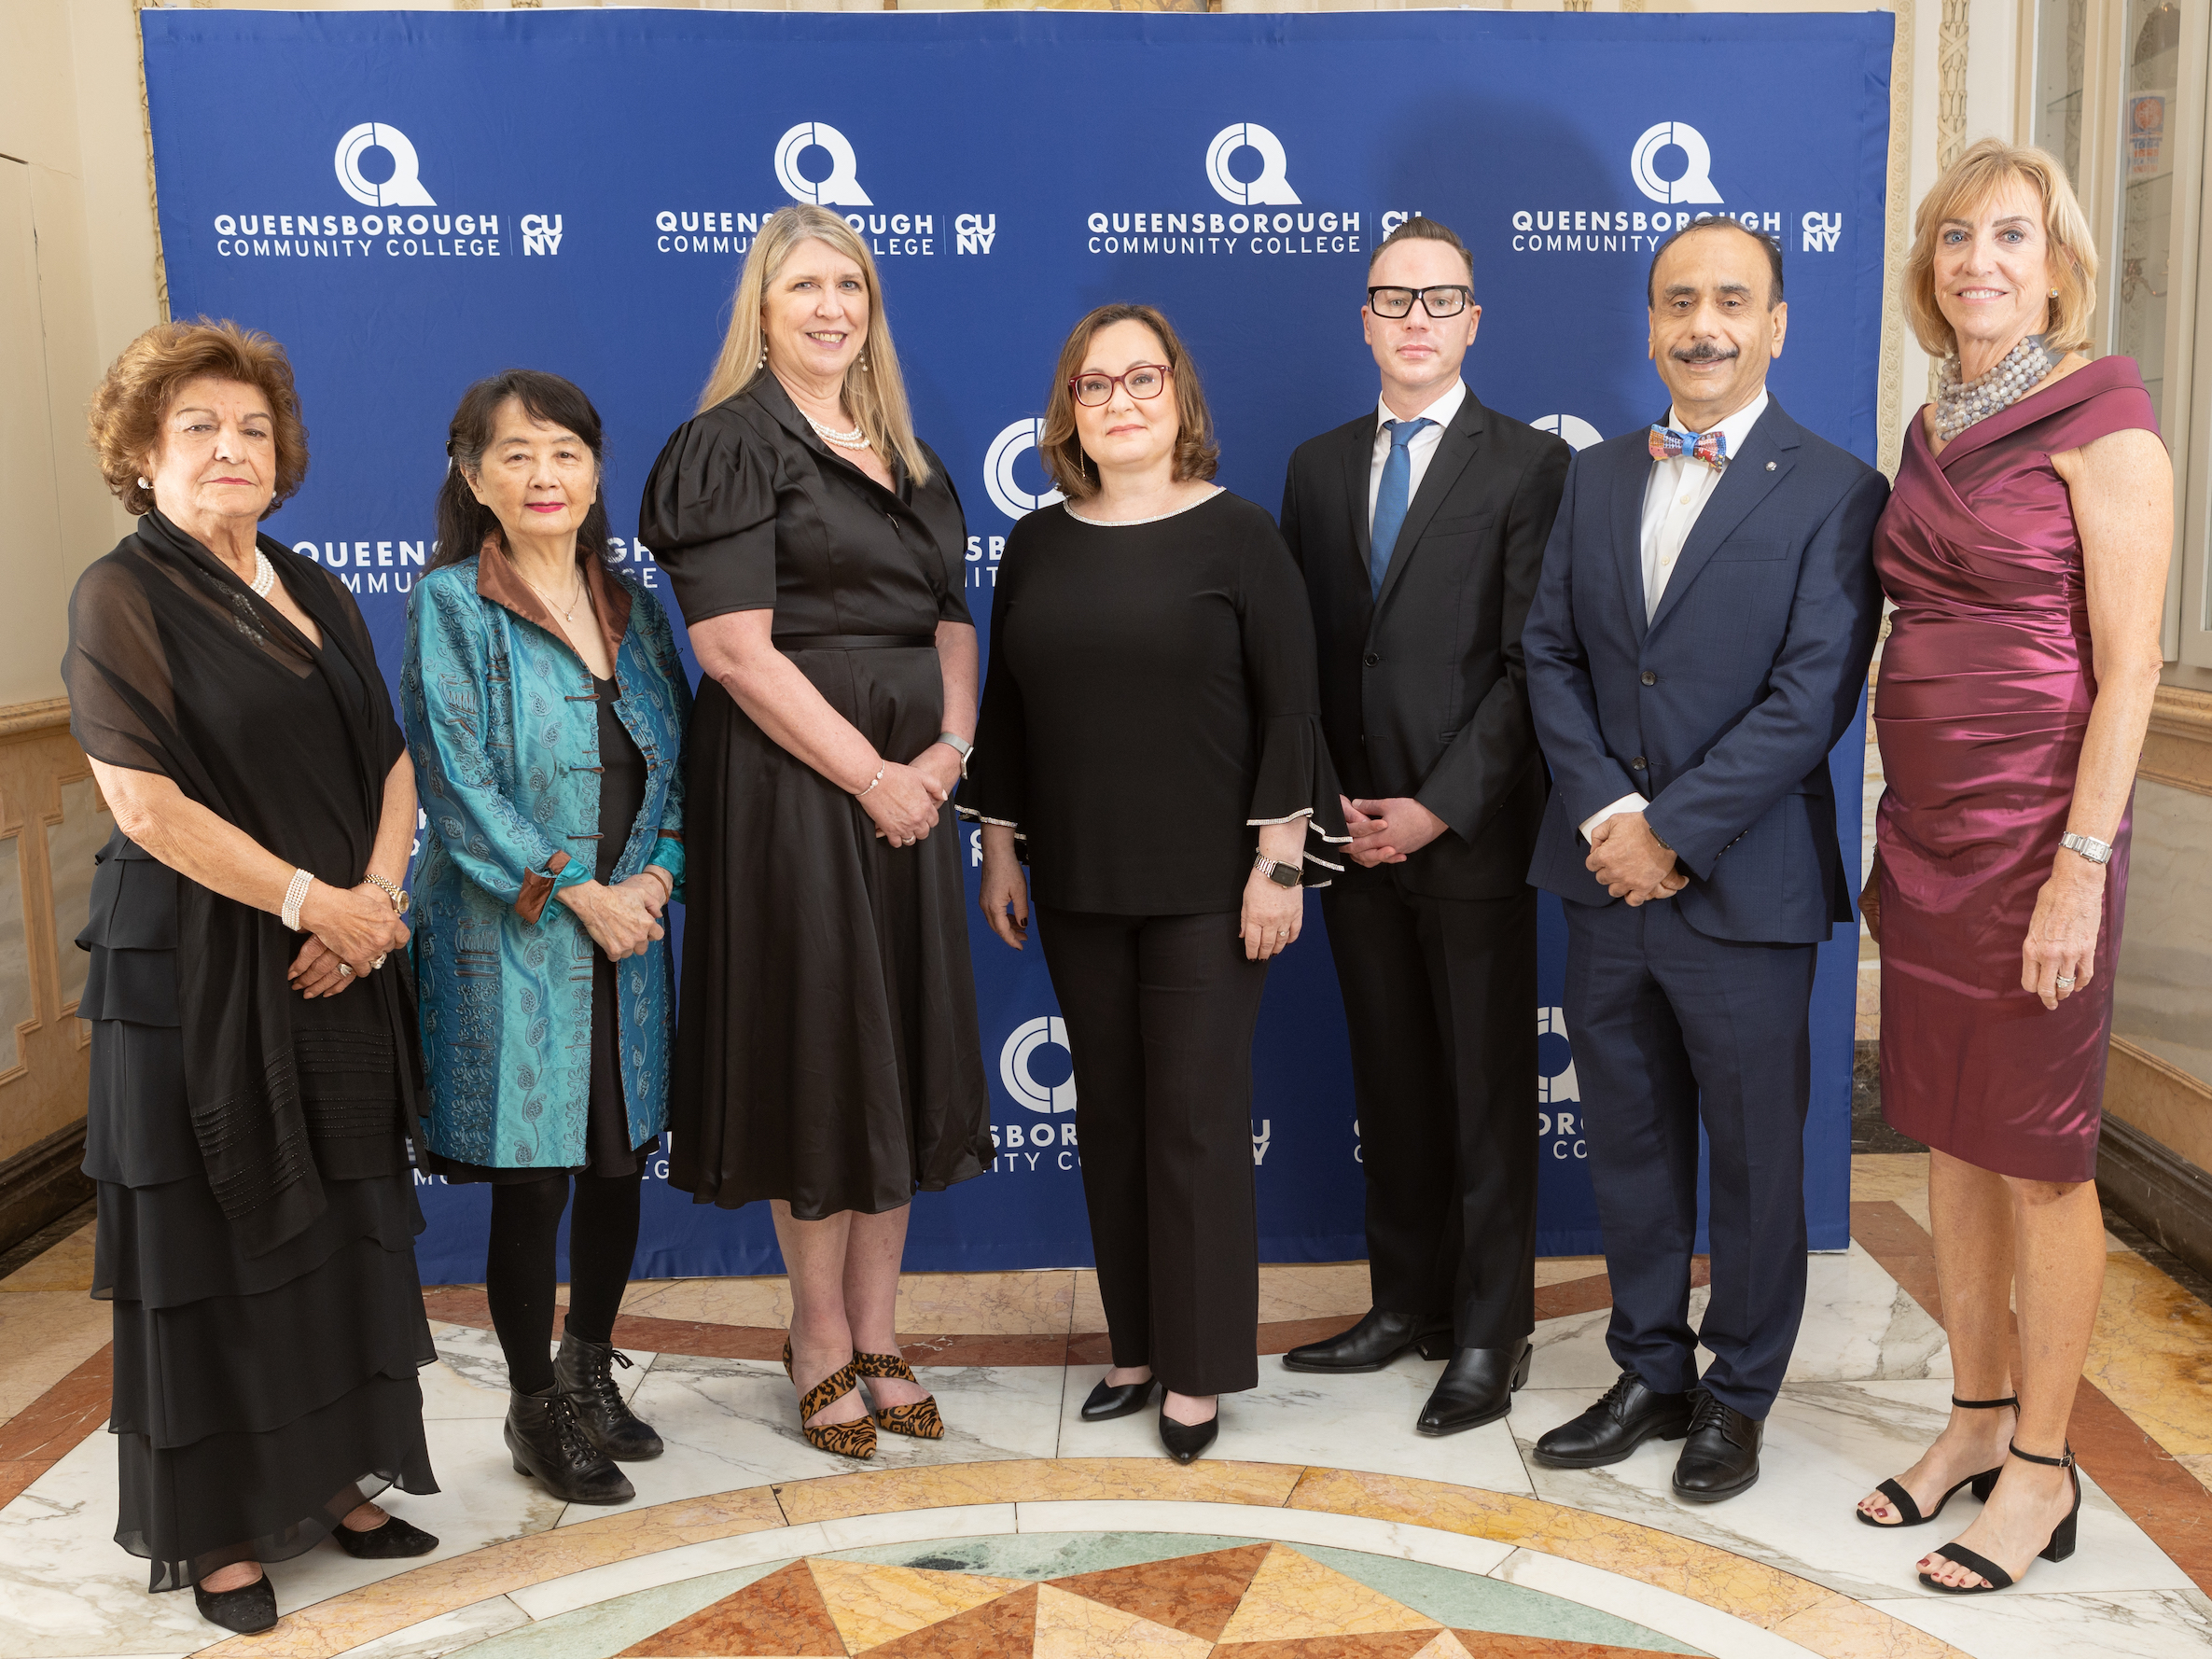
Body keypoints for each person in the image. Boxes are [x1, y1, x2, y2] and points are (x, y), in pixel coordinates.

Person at [63, 320, 438, 1636]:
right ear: (142, 456)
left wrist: (372, 905)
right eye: (198, 428)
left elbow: (391, 763)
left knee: (334, 1225)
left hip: (338, 961)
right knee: (215, 1246)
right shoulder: (119, 595)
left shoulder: (315, 585)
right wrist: (308, 901)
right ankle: (222, 1530)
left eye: (253, 428)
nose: (231, 447)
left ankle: (337, 1480)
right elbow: (146, 805)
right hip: (195, 973)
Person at [1522, 221, 1887, 1502]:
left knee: (1752, 1157)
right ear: (1649, 324)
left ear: (1775, 324)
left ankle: (1737, 1393)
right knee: (1626, 1140)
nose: (1703, 324)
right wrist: (1611, 816)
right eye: (1678, 301)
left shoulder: (1837, 488)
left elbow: (1811, 695)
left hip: (1744, 883)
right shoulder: (1592, 476)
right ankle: (1647, 1369)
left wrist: (1669, 830)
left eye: (1731, 300)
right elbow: (1549, 654)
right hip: (1600, 875)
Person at [1851, 141, 2169, 1595]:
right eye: (1953, 236)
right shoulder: (1930, 424)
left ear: (2057, 267)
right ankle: (1973, 1416)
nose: (1976, 259)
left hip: (2040, 841)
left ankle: (2040, 1467)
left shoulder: (2105, 422)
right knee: (1948, 1134)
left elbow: (2128, 669)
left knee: (2037, 1154)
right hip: (1925, 840)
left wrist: (2076, 868)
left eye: (2009, 236)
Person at [962, 304, 1345, 1465]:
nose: (1119, 400)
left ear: (1178, 396)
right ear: (1068, 410)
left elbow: (1290, 709)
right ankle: (1134, 1345)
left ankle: (1198, 1365)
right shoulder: (1037, 543)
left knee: (1193, 1122)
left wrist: (1279, 862)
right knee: (1113, 1118)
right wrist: (998, 844)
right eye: (1095, 384)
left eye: (1141, 378)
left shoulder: (1240, 534)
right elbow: (1007, 709)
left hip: (1211, 887)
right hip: (1077, 878)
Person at [638, 204, 990, 1459]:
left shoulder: (910, 454)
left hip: (912, 784)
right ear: (762, 308)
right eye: (803, 287)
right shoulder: (727, 445)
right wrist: (871, 774)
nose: (831, 307)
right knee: (821, 1054)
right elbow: (733, 651)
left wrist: (945, 754)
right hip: (795, 787)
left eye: (850, 285)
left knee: (894, 1051)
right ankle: (819, 1335)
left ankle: (881, 1330)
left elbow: (951, 617)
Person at [1277, 216, 1571, 1436]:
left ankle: (1490, 1331)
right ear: (1363, 319)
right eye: (1392, 298)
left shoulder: (1529, 464)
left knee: (1484, 1092)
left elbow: (1529, 663)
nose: (1414, 319)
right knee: (1390, 1082)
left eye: (1438, 298)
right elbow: (1298, 659)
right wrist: (1331, 803)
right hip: (1349, 835)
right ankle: (1403, 1301)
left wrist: (1436, 807)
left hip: (1468, 836)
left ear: (1472, 320)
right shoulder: (1313, 466)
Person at [403, 369, 691, 1506]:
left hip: (631, 937)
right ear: (473, 477)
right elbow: (457, 781)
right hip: (514, 938)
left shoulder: (636, 608)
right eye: (515, 453)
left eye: (565, 451)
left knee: (618, 1167)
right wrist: (582, 892)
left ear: (595, 471)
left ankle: (589, 1371)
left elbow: (683, 768)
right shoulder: (451, 603)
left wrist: (656, 877)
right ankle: (533, 1407)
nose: (543, 474)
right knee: (532, 1182)